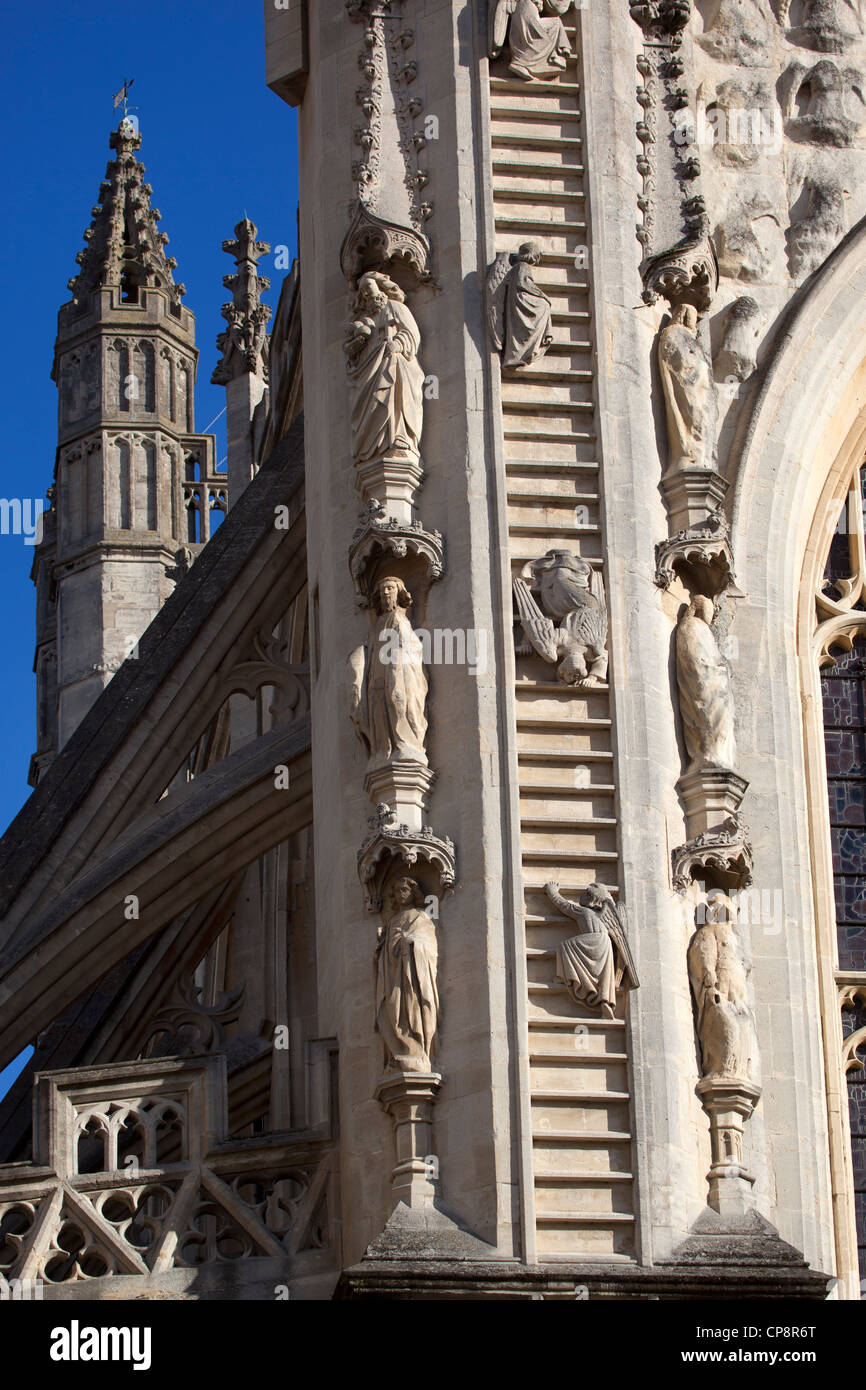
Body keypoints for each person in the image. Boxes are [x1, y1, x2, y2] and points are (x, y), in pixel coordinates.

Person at [344, 271, 424, 464]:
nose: (367, 295)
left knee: (394, 392)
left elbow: (412, 333)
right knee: (372, 405)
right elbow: (351, 353)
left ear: (381, 289)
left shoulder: (395, 308)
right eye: (364, 293)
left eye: (370, 289)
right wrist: (359, 342)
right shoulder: (362, 320)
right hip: (370, 367)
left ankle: (398, 437)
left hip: (393, 359)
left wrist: (398, 344)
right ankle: (373, 447)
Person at [376, 876, 439, 1072]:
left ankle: (418, 1050)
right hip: (393, 975)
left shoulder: (420, 916)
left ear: (413, 892)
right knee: (393, 1008)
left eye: (405, 890)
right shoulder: (393, 920)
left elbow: (427, 944)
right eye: (398, 891)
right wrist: (382, 944)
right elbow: (385, 951)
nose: (401, 894)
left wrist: (411, 943)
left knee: (413, 1008)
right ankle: (399, 1049)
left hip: (412, 975)